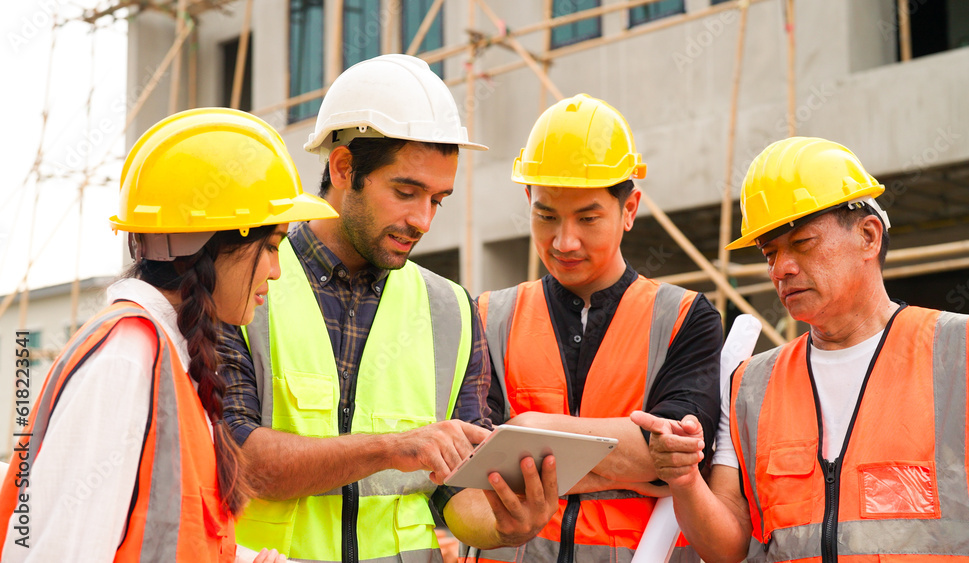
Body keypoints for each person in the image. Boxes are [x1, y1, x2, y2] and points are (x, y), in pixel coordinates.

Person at [220, 54, 559, 563]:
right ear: (343, 168)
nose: (422, 220)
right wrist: (392, 448)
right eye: (406, 191)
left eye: (438, 200)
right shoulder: (244, 283)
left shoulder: (452, 311)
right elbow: (238, 460)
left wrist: (504, 523)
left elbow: (453, 490)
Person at [632, 136, 969, 562]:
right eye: (769, 254)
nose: (781, 268)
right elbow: (727, 549)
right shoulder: (750, 385)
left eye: (802, 243)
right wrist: (685, 479)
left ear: (867, 236)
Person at [0, 108, 337, 562]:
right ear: (216, 243)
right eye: (272, 246)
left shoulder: (167, 361)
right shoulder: (127, 362)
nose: (276, 272)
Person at [456, 94, 723, 562]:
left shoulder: (686, 319)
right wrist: (636, 467)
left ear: (630, 208)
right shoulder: (487, 317)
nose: (564, 241)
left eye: (588, 218)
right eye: (546, 216)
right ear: (528, 201)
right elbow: (472, 466)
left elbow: (677, 454)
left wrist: (527, 429)